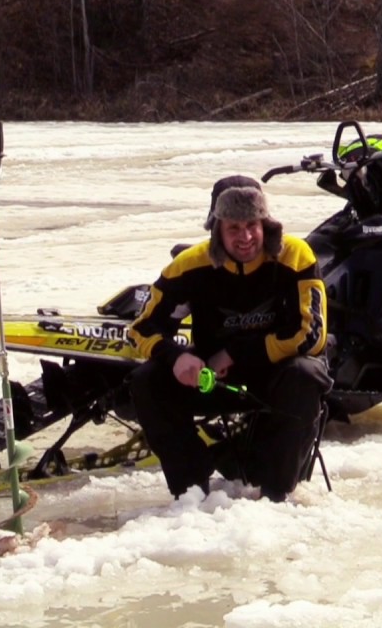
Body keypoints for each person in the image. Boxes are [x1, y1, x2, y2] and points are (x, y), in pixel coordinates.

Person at [127, 175, 331, 502]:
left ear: (266, 222)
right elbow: (142, 327)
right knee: (146, 380)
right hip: (214, 379)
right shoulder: (189, 265)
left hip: (277, 375)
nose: (246, 236)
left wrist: (238, 352)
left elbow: (312, 336)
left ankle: (275, 494)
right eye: (233, 228)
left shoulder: (295, 256)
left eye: (252, 224)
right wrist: (176, 356)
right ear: (217, 229)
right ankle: (191, 492)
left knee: (305, 375)